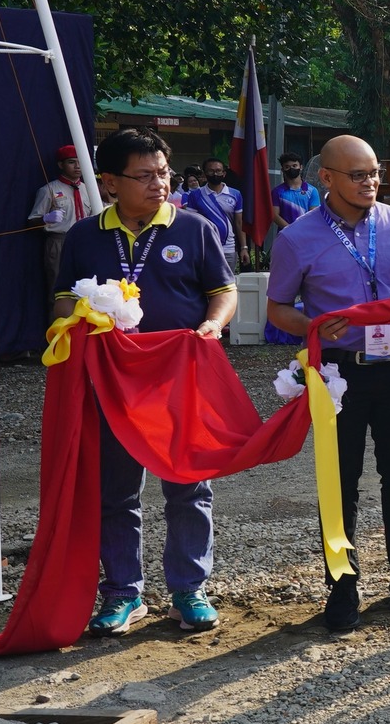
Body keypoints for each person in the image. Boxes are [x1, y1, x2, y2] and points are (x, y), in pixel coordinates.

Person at [52, 129, 236, 636]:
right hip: (112, 382)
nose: (159, 184)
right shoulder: (85, 236)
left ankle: (188, 589)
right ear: (110, 182)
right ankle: (122, 595)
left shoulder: (194, 228)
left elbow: (223, 291)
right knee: (117, 491)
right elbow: (63, 299)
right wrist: (77, 320)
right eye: (145, 175)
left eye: (164, 172)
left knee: (188, 485)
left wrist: (212, 325)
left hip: (178, 379)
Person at [267, 135, 390, 632]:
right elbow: (277, 308)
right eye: (358, 175)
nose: (370, 183)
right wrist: (312, 326)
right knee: (339, 482)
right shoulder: (297, 238)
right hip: (338, 372)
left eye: (374, 174)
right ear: (326, 178)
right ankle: (342, 585)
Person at [29, 144, 92, 296]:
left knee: (88, 285)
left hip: (86, 240)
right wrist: (45, 219)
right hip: (60, 242)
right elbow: (31, 222)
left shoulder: (89, 188)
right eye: (71, 162)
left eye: (80, 161)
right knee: (58, 287)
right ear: (60, 165)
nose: (77, 166)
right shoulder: (48, 190)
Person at [182, 158, 245, 274]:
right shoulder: (195, 195)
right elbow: (191, 223)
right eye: (211, 171)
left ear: (224, 173)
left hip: (228, 248)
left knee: (228, 284)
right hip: (204, 247)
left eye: (218, 171)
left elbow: (239, 222)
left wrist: (244, 248)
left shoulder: (235, 194)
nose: (215, 174)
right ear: (205, 174)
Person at [270, 152, 323, 236]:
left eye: (294, 166)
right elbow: (274, 215)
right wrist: (290, 230)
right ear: (282, 169)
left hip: (306, 235)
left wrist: (301, 231)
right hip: (285, 236)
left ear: (301, 167)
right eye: (287, 167)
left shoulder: (312, 190)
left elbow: (313, 214)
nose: (291, 169)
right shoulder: (277, 192)